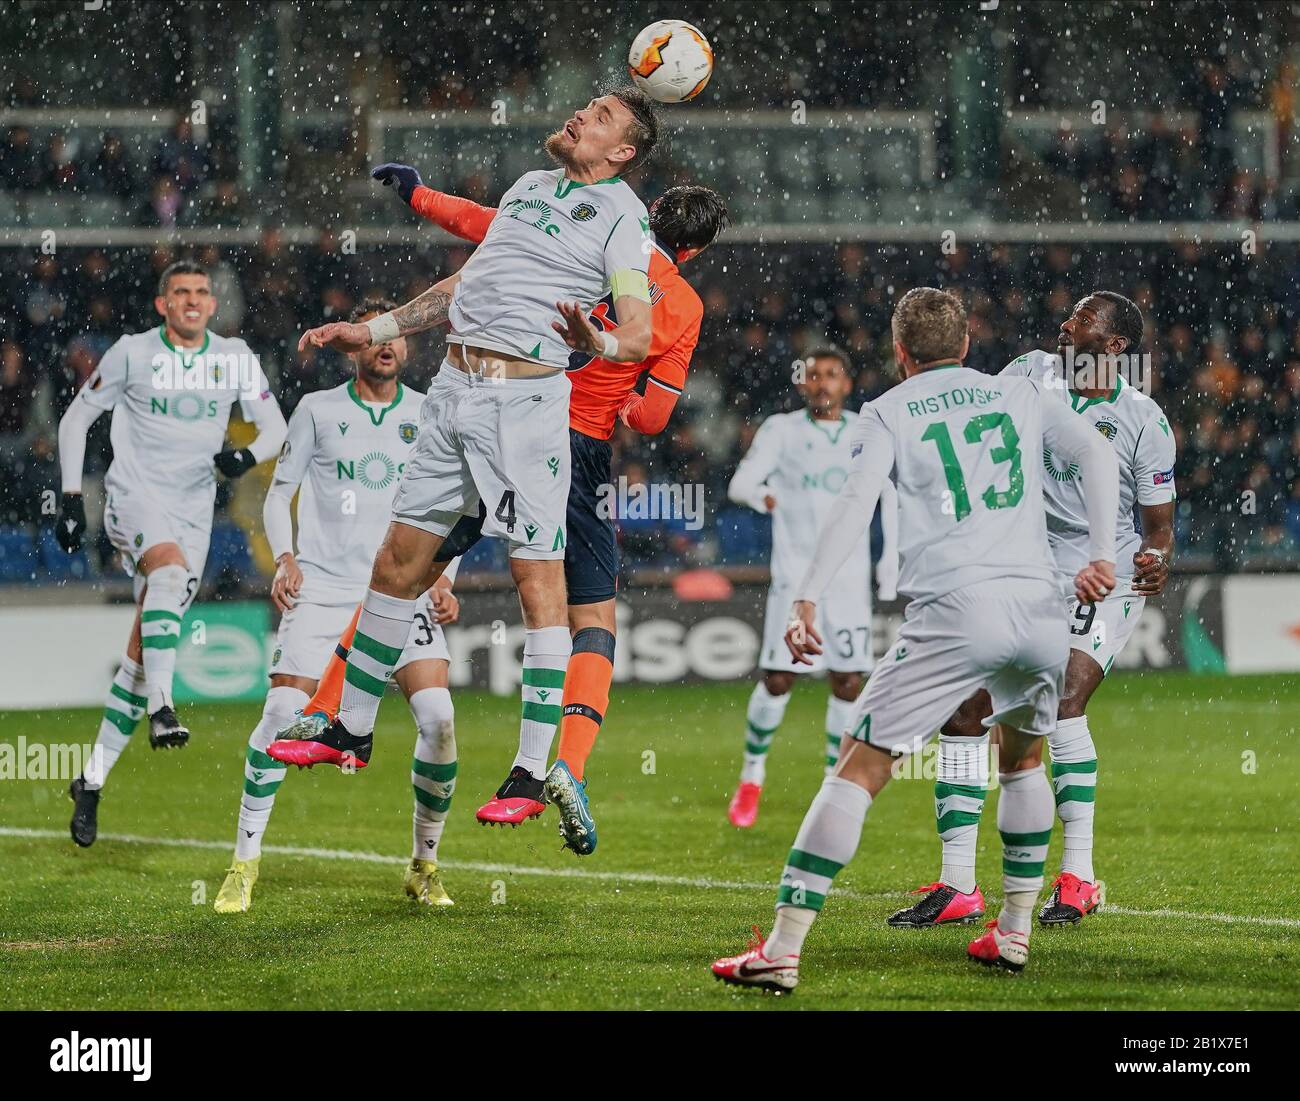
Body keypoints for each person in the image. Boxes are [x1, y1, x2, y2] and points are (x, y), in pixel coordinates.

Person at [267, 93, 658, 865]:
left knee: (535, 579)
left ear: (622, 153)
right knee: (398, 563)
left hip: (524, 403)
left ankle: (530, 766)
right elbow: (463, 290)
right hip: (452, 389)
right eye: (588, 104)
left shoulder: (623, 217)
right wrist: (375, 329)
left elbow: (639, 330)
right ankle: (350, 725)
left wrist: (600, 337)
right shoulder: (527, 187)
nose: (583, 114)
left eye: (603, 114)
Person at [711, 287, 1119, 989]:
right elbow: (1096, 455)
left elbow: (854, 503)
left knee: (858, 768)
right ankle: (1014, 933)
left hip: (956, 609)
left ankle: (780, 949)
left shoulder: (887, 411)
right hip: (1040, 605)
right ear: (965, 345)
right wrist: (1101, 552)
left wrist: (805, 594)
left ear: (900, 353)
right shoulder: (1014, 392)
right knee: (1021, 763)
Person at [354, 163, 728, 852]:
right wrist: (621, 394)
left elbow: (478, 222)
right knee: (589, 615)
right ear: (697, 251)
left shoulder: (579, 235)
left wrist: (415, 192)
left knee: (404, 566)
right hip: (572, 443)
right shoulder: (682, 305)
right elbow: (652, 418)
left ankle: (335, 713)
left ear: (648, 211)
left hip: (494, 412)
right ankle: (566, 763)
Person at [889, 291, 1176, 929]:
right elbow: (972, 429)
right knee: (965, 709)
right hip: (1022, 564)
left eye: (1081, 321)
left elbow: (1158, 529)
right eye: (1069, 315)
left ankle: (1079, 876)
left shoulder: (1143, 420)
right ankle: (958, 883)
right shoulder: (1026, 372)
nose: (1064, 325)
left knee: (1063, 700)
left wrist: (1156, 561)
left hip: (1103, 574)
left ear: (1114, 347)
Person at [215, 299, 462, 913]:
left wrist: (445, 576)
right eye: (375, 336)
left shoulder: (431, 413)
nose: (388, 346)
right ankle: (243, 863)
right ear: (355, 347)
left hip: (402, 591)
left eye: (397, 336)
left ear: (407, 348)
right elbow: (280, 495)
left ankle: (424, 864)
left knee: (439, 719)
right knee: (278, 715)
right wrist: (286, 559)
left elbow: (454, 506)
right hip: (324, 588)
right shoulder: (318, 410)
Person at [56, 260, 287, 847]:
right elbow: (78, 416)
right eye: (180, 292)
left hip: (193, 510)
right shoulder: (133, 352)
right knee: (169, 571)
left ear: (213, 305)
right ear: (163, 305)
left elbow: (275, 430)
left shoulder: (234, 356)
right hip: (134, 498)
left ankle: (91, 779)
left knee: (140, 652)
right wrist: (68, 496)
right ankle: (164, 705)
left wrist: (245, 457)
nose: (192, 300)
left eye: (201, 292)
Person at [724, 345, 898, 829]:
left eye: (832, 375)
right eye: (814, 375)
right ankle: (752, 775)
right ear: (802, 383)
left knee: (847, 681)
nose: (823, 383)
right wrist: (764, 496)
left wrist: (889, 559)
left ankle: (831, 784)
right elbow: (740, 484)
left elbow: (890, 492)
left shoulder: (868, 427)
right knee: (780, 679)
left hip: (848, 582)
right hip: (796, 578)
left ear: (847, 382)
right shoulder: (782, 430)